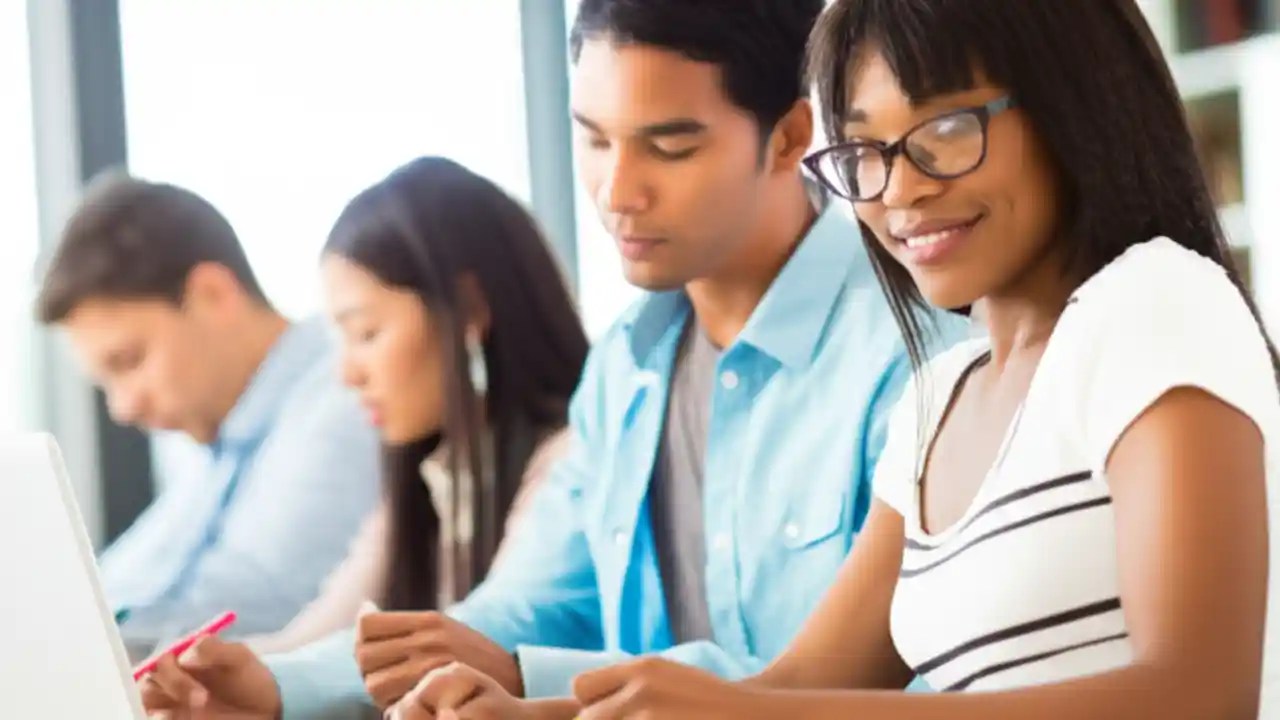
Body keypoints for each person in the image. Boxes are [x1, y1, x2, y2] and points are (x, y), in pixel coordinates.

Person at [426, 1, 1279, 719]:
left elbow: (1198, 697)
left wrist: (750, 713)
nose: (900, 189)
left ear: (1073, 104)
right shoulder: (940, 397)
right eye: (866, 152)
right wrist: (530, 714)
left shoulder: (1153, 305)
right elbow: (797, 685)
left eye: (946, 130)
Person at [136, 2, 966, 718]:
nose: (617, 192)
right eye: (594, 140)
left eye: (668, 148)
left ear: (788, 138)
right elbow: (521, 610)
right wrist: (280, 688)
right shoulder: (626, 366)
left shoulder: (916, 352)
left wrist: (523, 676)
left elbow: (842, 682)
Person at [239, 157, 587, 655]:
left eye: (366, 333)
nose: (347, 374)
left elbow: (485, 641)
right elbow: (308, 643)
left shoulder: (569, 465)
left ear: (469, 309)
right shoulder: (431, 481)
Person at [34, 173, 381, 648]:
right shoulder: (218, 449)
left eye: (130, 361)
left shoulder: (345, 400)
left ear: (213, 295)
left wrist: (55, 643)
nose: (123, 407)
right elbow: (112, 584)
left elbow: (261, 605)